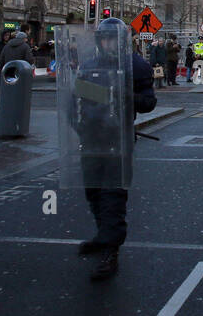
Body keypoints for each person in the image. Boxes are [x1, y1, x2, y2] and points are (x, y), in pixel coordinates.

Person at [66, 18, 157, 280]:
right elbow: (75, 100)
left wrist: (124, 96)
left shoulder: (135, 66)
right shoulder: (90, 65)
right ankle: (102, 235)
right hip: (92, 138)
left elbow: (148, 102)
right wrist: (78, 127)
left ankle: (111, 250)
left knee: (113, 196)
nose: (108, 43)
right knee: (93, 192)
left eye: (113, 39)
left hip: (118, 139)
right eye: (104, 39)